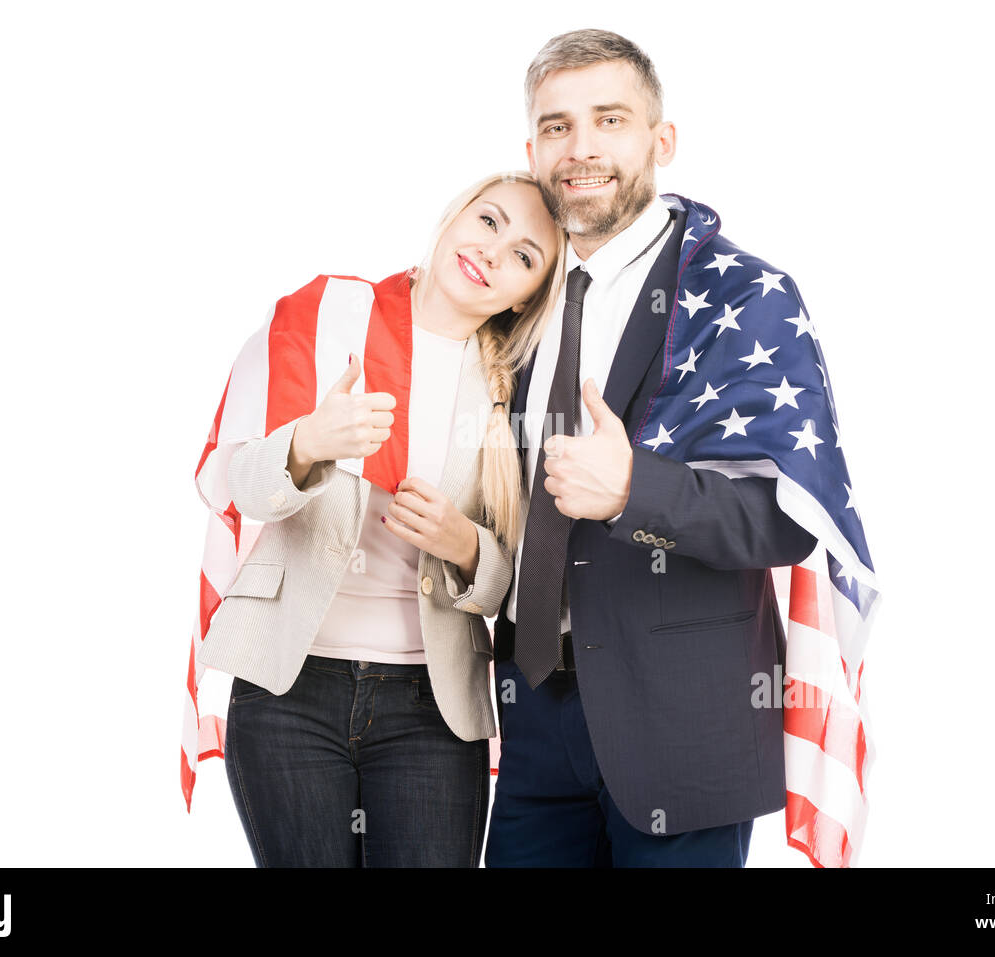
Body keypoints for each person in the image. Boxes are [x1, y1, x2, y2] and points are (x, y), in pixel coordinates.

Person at [486, 29, 878, 867]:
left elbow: (786, 521)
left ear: (661, 140)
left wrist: (635, 490)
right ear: (531, 148)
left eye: (609, 120)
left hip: (682, 721)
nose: (581, 148)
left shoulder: (742, 295)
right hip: (529, 719)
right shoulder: (515, 293)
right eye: (556, 126)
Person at [184, 171, 566, 866]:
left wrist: (465, 545)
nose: (492, 252)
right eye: (488, 221)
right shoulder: (324, 315)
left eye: (524, 256)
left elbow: (522, 577)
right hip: (289, 689)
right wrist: (304, 446)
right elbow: (227, 480)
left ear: (529, 295)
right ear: (454, 216)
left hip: (431, 705)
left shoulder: (517, 386)